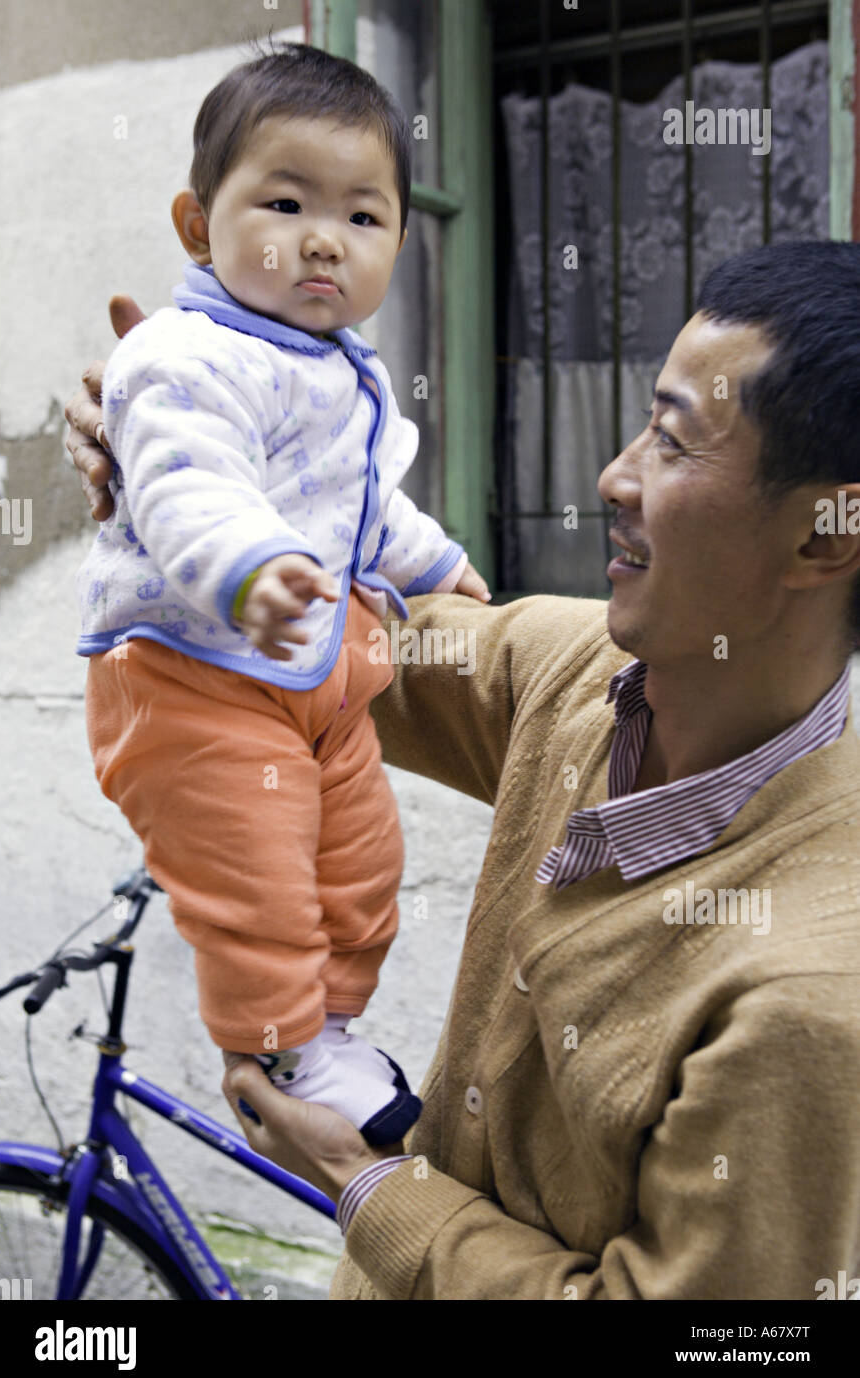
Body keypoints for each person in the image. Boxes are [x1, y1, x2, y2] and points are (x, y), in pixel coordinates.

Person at [67, 239, 860, 1300]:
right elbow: (314, 644)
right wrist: (192, 479)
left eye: (672, 443)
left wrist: (364, 1180)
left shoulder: (807, 997)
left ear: (824, 534)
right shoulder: (574, 672)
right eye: (638, 423)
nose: (612, 476)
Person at [74, 39, 489, 1151]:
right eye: (287, 200)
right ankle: (281, 1040)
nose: (324, 238)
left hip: (311, 689)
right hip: (190, 679)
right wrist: (251, 572)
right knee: (257, 894)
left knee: (363, 866)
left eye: (363, 217)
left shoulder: (336, 371)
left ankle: (330, 1028)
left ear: (398, 241)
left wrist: (435, 564)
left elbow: (361, 510)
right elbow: (187, 484)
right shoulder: (182, 353)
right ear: (199, 224)